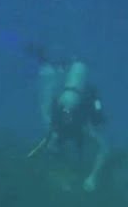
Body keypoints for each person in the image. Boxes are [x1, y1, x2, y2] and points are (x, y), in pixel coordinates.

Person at [29, 44, 109, 192]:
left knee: (50, 119)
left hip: (63, 112)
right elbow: (104, 148)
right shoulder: (80, 126)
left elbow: (103, 148)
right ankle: (48, 62)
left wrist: (91, 177)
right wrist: (93, 177)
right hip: (68, 113)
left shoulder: (60, 125)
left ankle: (48, 62)